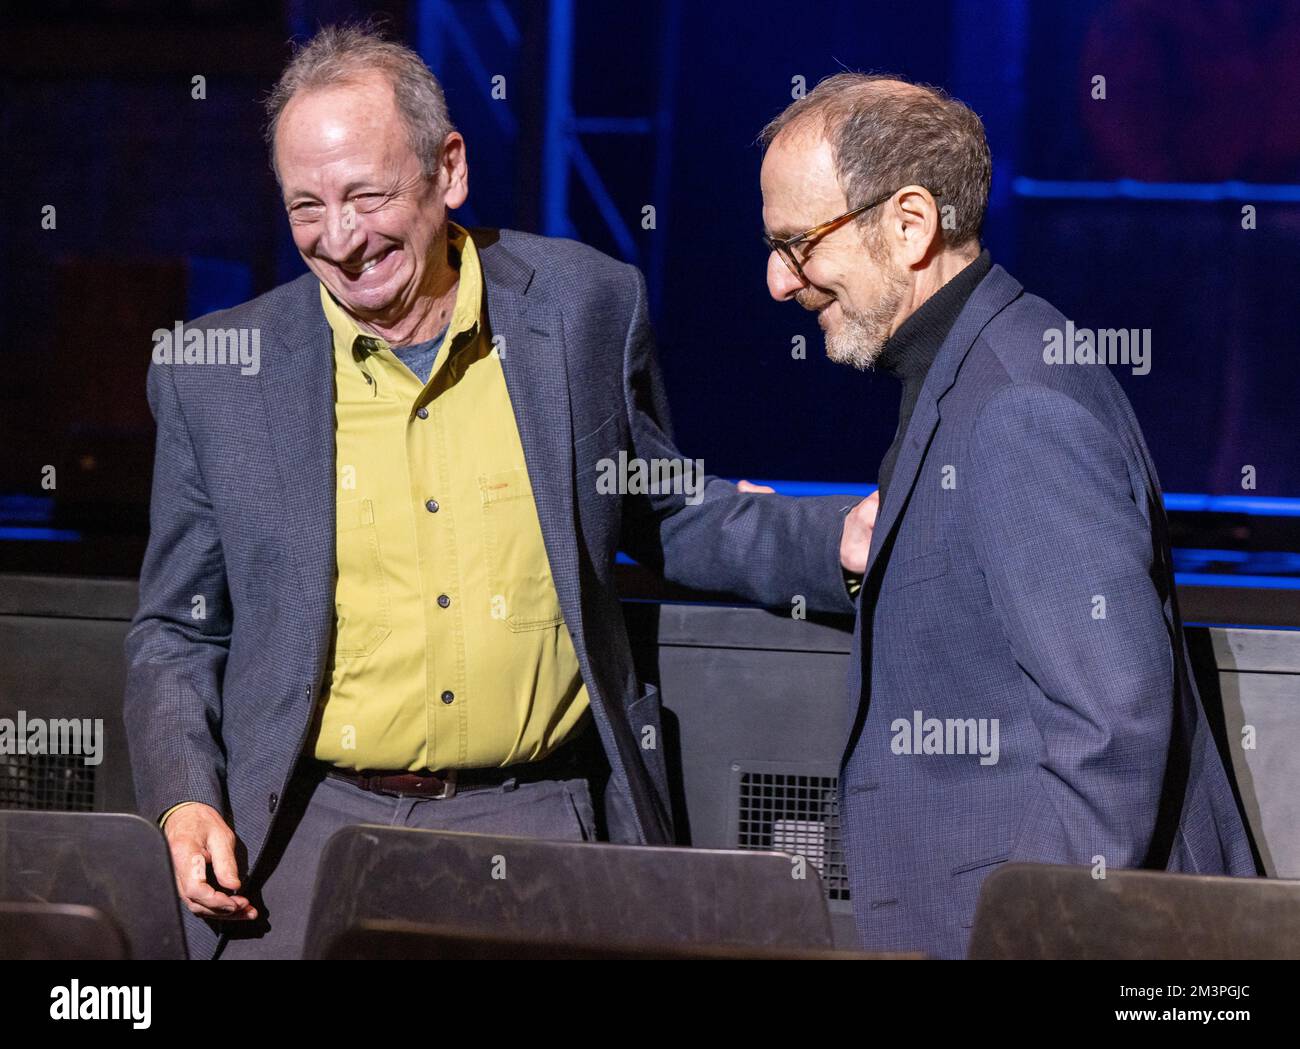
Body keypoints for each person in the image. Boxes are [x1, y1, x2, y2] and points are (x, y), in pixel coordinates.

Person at [123, 26, 876, 960]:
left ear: (450, 168)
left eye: (366, 194)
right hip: (306, 840)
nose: (341, 238)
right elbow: (178, 628)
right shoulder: (216, 374)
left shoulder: (584, 306)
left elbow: (656, 505)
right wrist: (185, 794)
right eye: (306, 206)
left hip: (544, 829)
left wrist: (830, 540)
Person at [758, 72, 1257, 959]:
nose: (777, 281)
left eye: (797, 244)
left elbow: (1111, 736)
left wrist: (1021, 945)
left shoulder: (1021, 405)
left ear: (910, 224)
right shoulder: (968, 363)